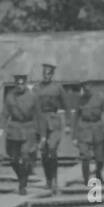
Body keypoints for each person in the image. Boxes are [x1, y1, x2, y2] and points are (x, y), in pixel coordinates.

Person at [0, 73, 40, 195]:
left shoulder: (33, 96)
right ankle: (21, 177)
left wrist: (39, 132)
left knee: (25, 157)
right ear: (15, 84)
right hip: (14, 129)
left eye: (22, 83)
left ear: (25, 84)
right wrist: (1, 128)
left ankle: (22, 184)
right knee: (13, 159)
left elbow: (38, 115)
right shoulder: (10, 97)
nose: (20, 86)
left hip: (28, 129)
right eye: (18, 84)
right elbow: (4, 113)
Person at [32, 59, 69, 195]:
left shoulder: (58, 88)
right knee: (44, 153)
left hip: (54, 122)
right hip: (40, 122)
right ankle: (48, 180)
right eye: (44, 73)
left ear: (52, 74)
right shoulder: (36, 88)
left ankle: (54, 181)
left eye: (48, 73)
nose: (46, 75)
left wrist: (68, 124)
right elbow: (32, 106)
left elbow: (67, 106)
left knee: (52, 150)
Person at [71, 81, 104, 185]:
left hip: (97, 128)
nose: (86, 88)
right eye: (84, 86)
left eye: (88, 86)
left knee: (100, 157)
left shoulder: (99, 98)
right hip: (84, 128)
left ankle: (98, 172)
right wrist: (74, 137)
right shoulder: (80, 100)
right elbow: (75, 118)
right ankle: (86, 179)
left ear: (91, 86)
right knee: (85, 156)